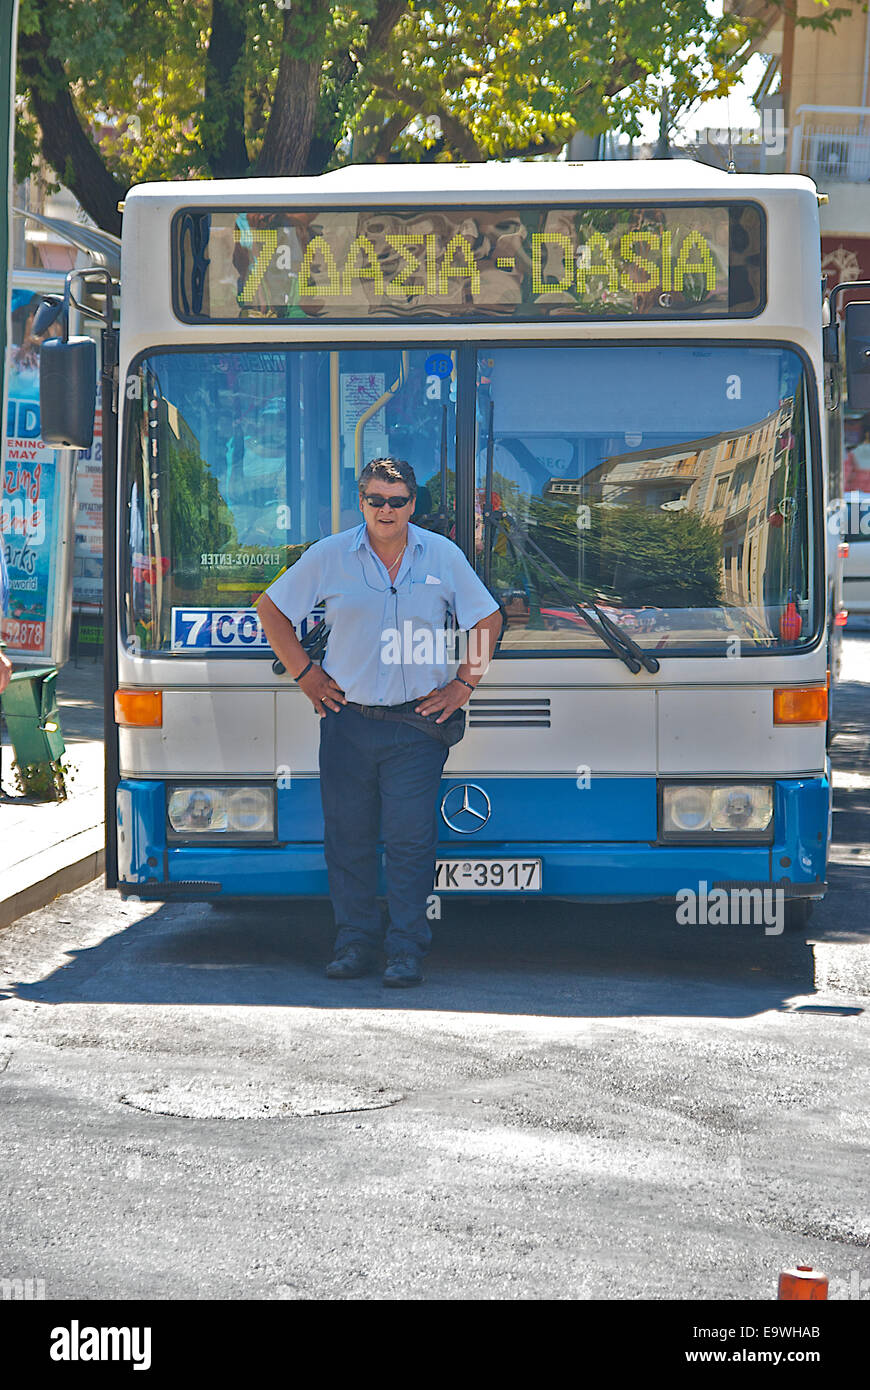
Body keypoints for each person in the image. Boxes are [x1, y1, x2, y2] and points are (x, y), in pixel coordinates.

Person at [257, 457, 502, 988]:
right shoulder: (330, 556)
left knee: (411, 841)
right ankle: (354, 945)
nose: (386, 510)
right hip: (347, 721)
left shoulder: (442, 555)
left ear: (413, 504)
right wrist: (305, 674)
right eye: (375, 500)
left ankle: (406, 951)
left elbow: (488, 618)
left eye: (397, 501)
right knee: (348, 839)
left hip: (416, 728)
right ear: (361, 502)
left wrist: (463, 685)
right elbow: (270, 609)